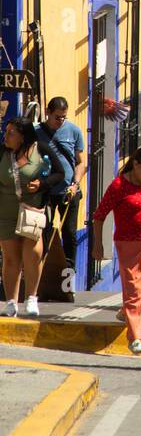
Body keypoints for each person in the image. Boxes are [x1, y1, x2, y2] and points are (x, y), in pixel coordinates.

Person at [91, 146, 141, 354]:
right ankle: (134, 336)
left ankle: (126, 312)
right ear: (136, 164)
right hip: (129, 245)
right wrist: (99, 244)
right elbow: (99, 216)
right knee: (134, 290)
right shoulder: (118, 186)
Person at [35, 96, 87, 290]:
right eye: (57, 117)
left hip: (68, 191)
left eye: (63, 117)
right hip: (46, 191)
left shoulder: (73, 131)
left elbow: (81, 162)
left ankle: (68, 282)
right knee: (44, 231)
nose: (60, 121)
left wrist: (75, 184)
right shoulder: (36, 132)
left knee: (70, 234)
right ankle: (41, 276)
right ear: (48, 113)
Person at [0, 117, 46, 318]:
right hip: (6, 212)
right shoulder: (2, 152)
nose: (6, 135)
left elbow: (61, 173)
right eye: (6, 131)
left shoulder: (41, 149)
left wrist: (42, 184)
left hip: (31, 211)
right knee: (11, 258)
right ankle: (11, 302)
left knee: (32, 256)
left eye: (11, 132)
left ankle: (32, 298)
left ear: (23, 137)